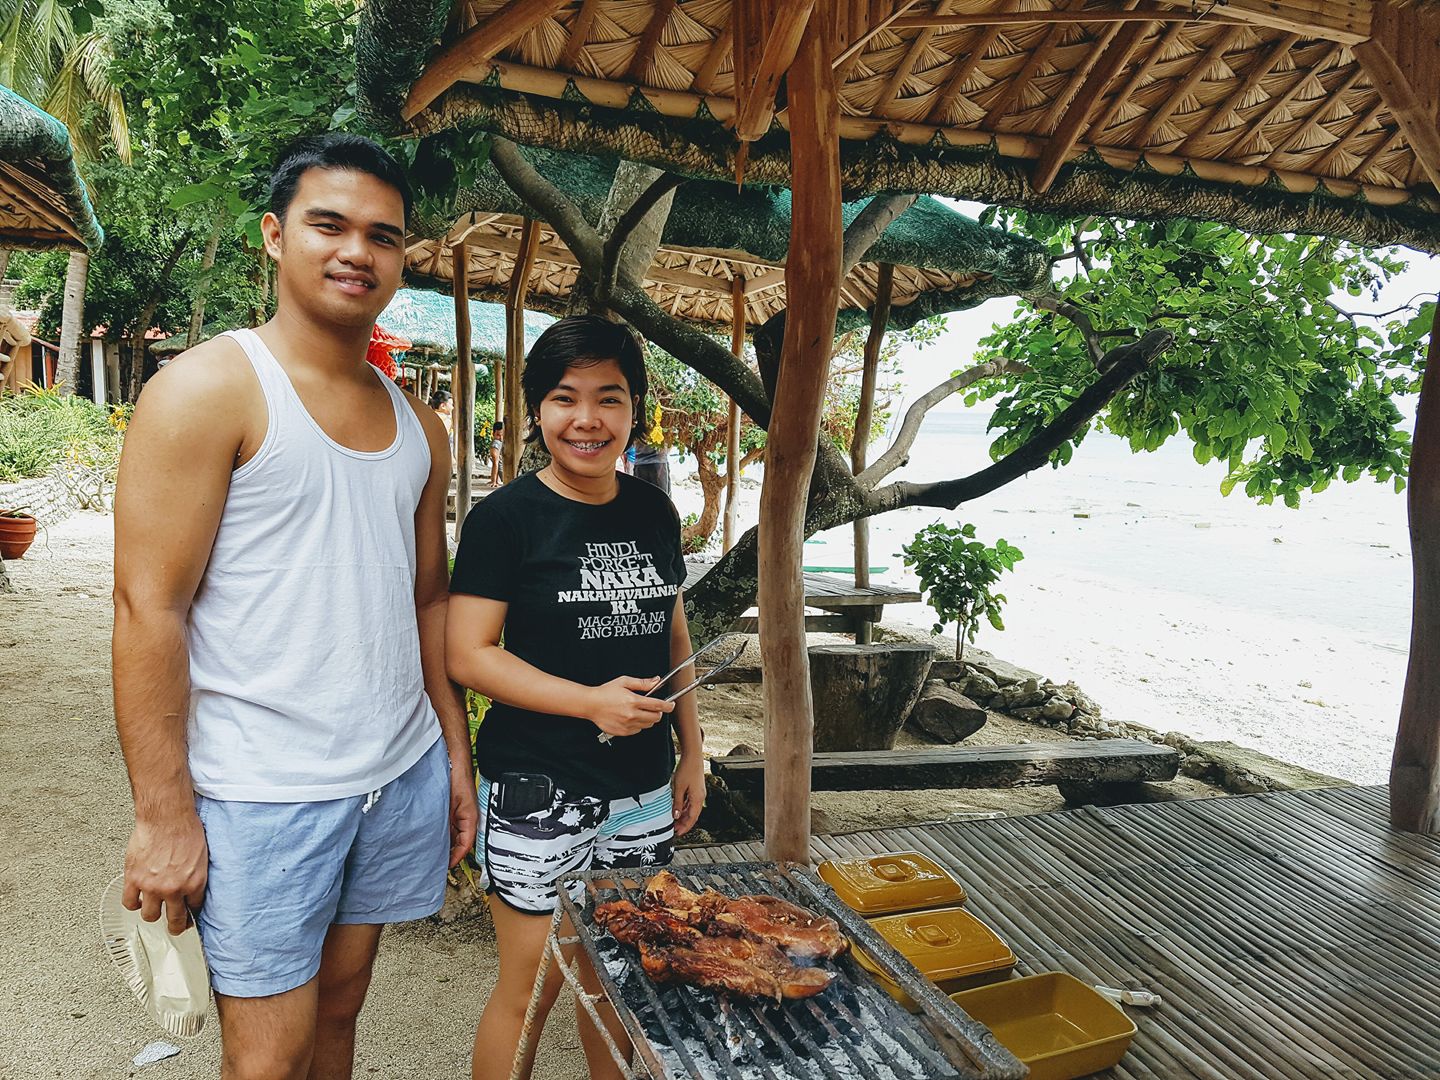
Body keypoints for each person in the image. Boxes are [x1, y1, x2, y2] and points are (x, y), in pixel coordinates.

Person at [111, 133, 478, 1080]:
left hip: (393, 774)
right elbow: (147, 606)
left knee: (342, 1013)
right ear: (275, 236)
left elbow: (426, 598)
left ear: (403, 259)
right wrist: (162, 817)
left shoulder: (417, 424)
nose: (357, 250)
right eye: (330, 224)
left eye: (384, 236)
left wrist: (452, 755)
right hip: (262, 789)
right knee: (266, 1056)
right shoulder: (207, 390)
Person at [447, 315, 706, 1080]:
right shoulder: (505, 520)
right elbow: (466, 654)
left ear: (635, 411)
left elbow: (675, 639)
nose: (587, 420)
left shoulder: (653, 511)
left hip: (642, 788)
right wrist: (587, 702)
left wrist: (693, 752)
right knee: (533, 987)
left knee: (619, 979)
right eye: (565, 398)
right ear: (536, 410)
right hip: (538, 788)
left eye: (609, 399)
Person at [489, 418, 504, 486]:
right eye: (498, 435)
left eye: (502, 435)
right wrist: (494, 481)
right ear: (493, 433)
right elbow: (495, 462)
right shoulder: (496, 444)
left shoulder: (501, 442)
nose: (501, 438)